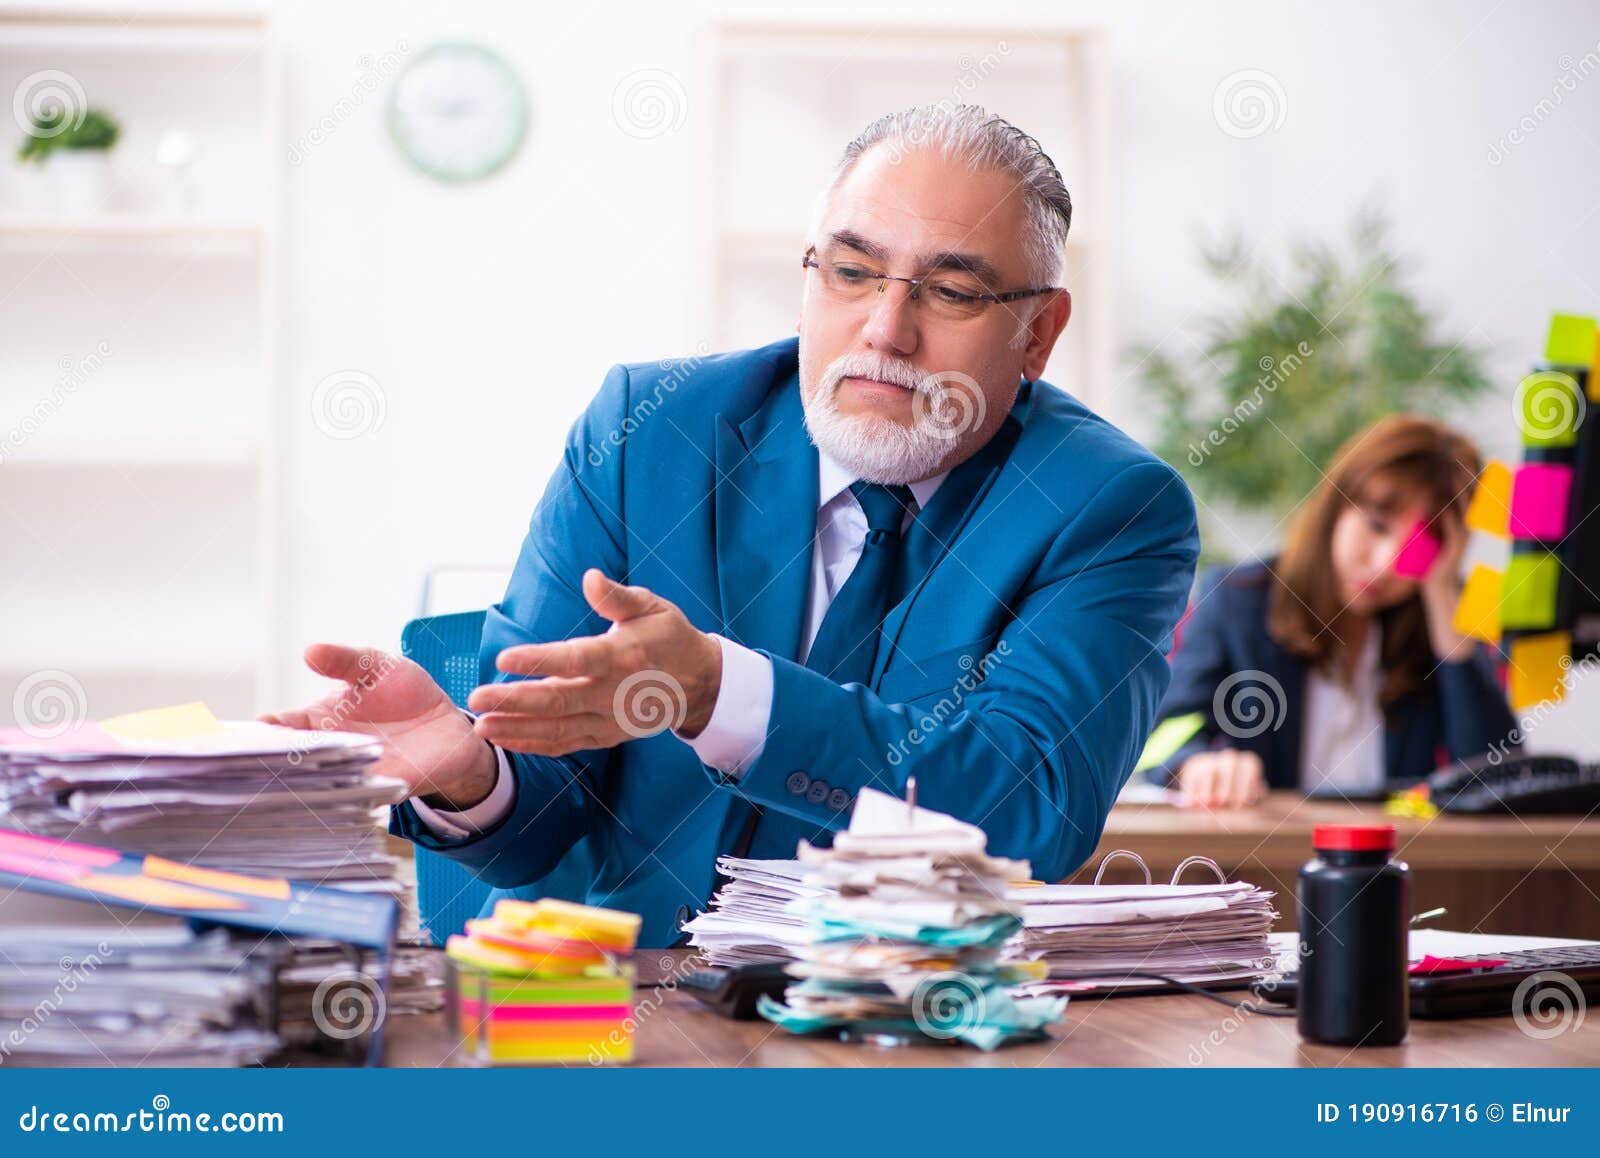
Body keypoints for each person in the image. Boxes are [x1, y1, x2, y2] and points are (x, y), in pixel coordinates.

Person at [263, 105, 1200, 946]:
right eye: (852, 272)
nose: (886, 329)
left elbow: (1030, 811)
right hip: (634, 1021)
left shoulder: (1110, 508)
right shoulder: (648, 433)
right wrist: (472, 773)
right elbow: (541, 820)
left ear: (1037, 334)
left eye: (950, 291)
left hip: (906, 1020)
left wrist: (722, 694)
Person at [1148, 414, 1517, 809]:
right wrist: (1194, 764)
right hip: (1268, 844)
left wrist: (1442, 594)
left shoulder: (1438, 625)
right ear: (1336, 506)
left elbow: (1497, 781)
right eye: (1376, 526)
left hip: (1393, 847)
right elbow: (1162, 736)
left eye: (1417, 548)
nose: (1385, 564)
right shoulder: (1237, 601)